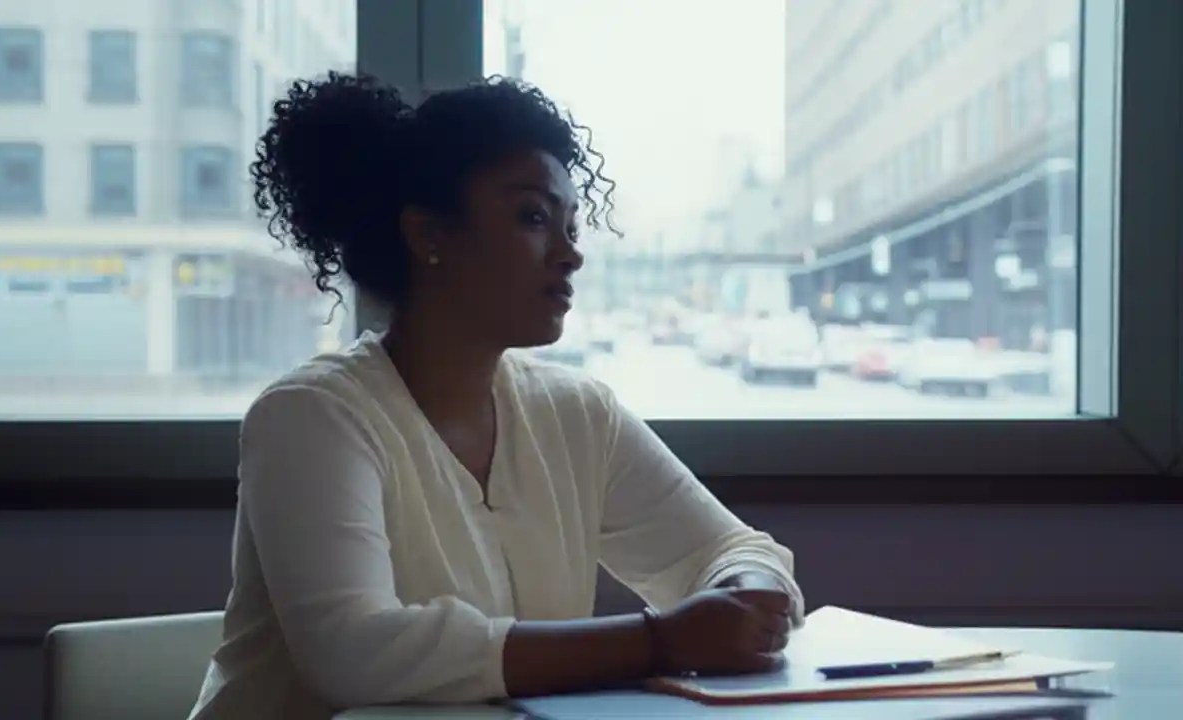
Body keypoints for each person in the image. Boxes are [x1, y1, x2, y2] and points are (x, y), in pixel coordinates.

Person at [188, 72, 804, 720]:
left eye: (572, 224)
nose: (570, 255)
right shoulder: (313, 417)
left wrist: (748, 599)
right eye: (534, 217)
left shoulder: (576, 415)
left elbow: (734, 551)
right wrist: (658, 640)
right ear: (428, 235)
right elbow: (353, 652)